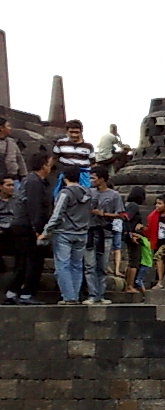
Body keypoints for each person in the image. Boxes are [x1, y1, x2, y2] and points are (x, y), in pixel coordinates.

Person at [39, 172, 94, 305]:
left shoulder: (65, 193)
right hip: (82, 233)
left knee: (63, 266)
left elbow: (57, 214)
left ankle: (69, 297)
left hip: (64, 232)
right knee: (76, 266)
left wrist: (46, 231)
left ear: (64, 178)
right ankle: (74, 295)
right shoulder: (88, 193)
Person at [4, 152, 52, 304]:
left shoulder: (35, 181)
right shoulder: (34, 182)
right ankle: (25, 293)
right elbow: (34, 207)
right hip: (27, 227)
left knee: (25, 262)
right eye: (49, 163)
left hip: (24, 225)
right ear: (44, 165)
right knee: (32, 261)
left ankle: (13, 293)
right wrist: (38, 229)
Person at [82, 165, 125, 305]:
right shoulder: (89, 192)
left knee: (102, 266)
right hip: (90, 231)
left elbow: (121, 215)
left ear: (101, 179)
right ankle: (92, 294)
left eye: (93, 178)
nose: (91, 180)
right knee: (89, 265)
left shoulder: (114, 195)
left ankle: (100, 294)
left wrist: (103, 214)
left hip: (105, 233)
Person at [51, 119, 94, 198]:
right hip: (66, 175)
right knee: (60, 196)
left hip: (82, 175)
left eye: (77, 132)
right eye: (71, 132)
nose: (74, 135)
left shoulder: (88, 146)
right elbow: (54, 159)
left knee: (84, 197)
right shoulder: (60, 143)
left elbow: (93, 163)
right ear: (66, 132)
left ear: (81, 132)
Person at [122, 186, 147, 294]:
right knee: (134, 262)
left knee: (133, 260)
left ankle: (128, 285)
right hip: (132, 236)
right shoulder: (134, 206)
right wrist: (130, 234)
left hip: (130, 234)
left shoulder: (128, 205)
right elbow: (126, 218)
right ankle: (129, 286)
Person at [0, 118, 27, 183]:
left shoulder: (11, 142)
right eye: (8, 126)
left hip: (13, 178)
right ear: (1, 128)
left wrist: (24, 175)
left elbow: (20, 159)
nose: (10, 128)